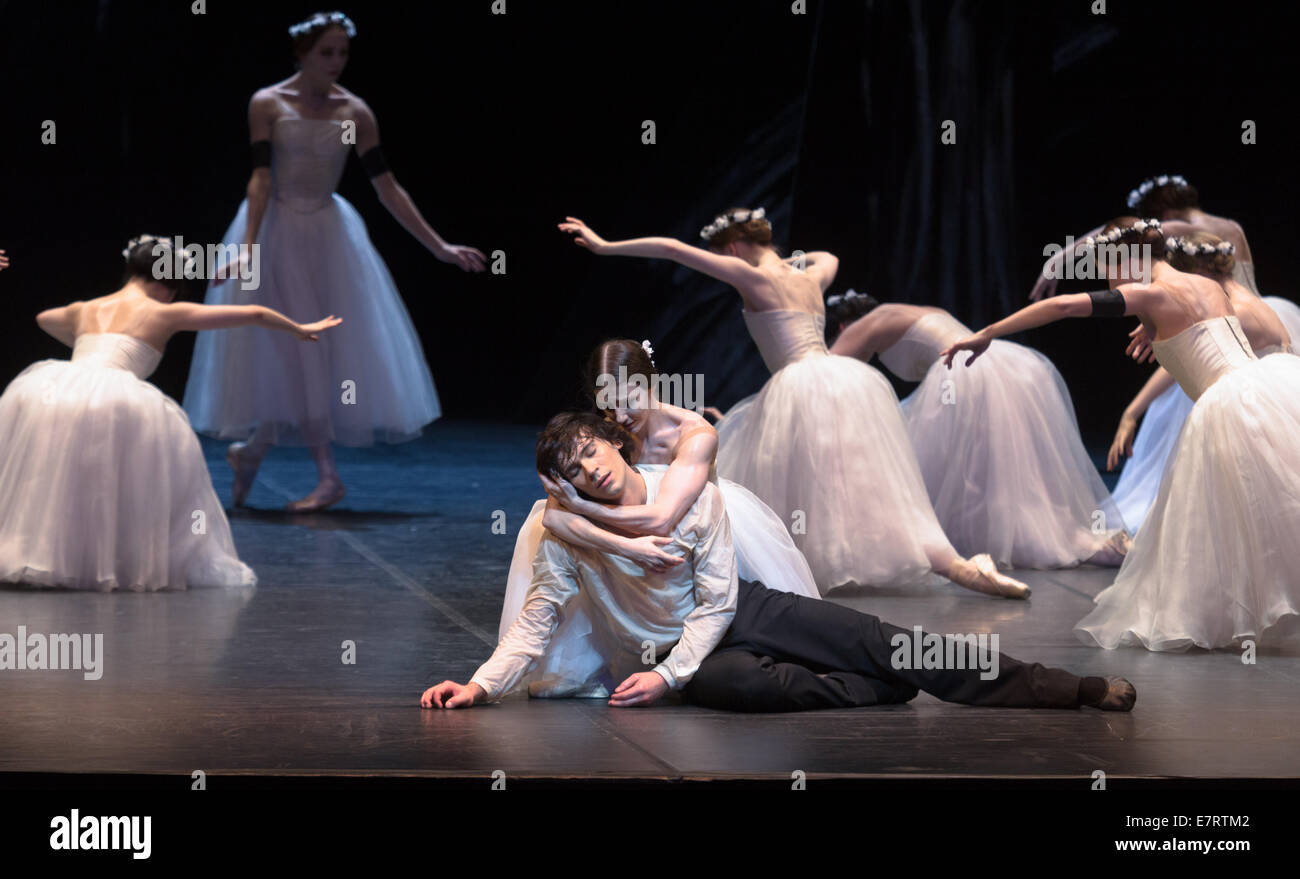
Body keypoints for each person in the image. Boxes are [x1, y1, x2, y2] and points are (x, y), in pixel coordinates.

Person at [419, 413, 1136, 712]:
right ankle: (878, 691)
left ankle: (1067, 688)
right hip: (683, 651)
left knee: (890, 640)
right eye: (572, 469)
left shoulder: (686, 493)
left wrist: (669, 676)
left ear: (616, 444)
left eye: (592, 452)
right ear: (564, 483)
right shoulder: (565, 532)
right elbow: (534, 624)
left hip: (741, 607)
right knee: (746, 687)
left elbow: (720, 601)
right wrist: (479, 686)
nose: (591, 470)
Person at [557, 211, 1029, 598]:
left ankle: (793, 575)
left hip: (799, 384)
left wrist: (604, 246)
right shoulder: (810, 276)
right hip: (846, 380)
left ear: (735, 249)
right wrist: (781, 256)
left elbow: (674, 250)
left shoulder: (750, 275)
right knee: (864, 479)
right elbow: (830, 256)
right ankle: (955, 565)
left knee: (798, 481)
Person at [942, 218, 1300, 651]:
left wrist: (988, 333)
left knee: (1244, 508)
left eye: (1110, 270)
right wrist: (1155, 327)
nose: (1111, 282)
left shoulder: (1149, 293)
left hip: (1225, 404)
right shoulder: (1207, 285)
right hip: (1268, 383)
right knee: (1275, 498)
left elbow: (1062, 307)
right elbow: (1202, 325)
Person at [183, 10, 486, 512]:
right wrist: (248, 247)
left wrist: (439, 246)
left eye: (343, 53)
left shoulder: (355, 113)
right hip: (275, 229)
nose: (337, 62)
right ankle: (301, 467)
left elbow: (386, 186)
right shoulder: (268, 103)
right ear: (302, 53)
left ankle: (268, 456)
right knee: (291, 349)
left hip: (328, 232)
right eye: (327, 52)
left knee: (313, 350)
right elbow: (260, 179)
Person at [0, 236, 340, 591]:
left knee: (55, 479)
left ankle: (39, 551)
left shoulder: (84, 308)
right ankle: (102, 558)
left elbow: (43, 318)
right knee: (118, 480)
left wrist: (90, 342)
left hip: (53, 391)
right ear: (166, 283)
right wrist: (299, 329)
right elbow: (254, 314)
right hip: (117, 398)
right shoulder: (165, 312)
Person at [498, 339, 820, 696]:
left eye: (628, 402)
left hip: (694, 531)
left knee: (738, 629)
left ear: (651, 385)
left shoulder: (693, 434)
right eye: (608, 407)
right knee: (558, 544)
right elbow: (554, 521)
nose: (619, 418)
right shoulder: (604, 437)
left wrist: (584, 507)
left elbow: (661, 519)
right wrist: (621, 545)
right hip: (631, 555)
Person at [826, 291, 1130, 569]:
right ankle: (1050, 535)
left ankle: (975, 537)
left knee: (930, 452)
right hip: (1003, 363)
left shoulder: (864, 326)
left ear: (842, 327)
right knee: (1000, 470)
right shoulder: (917, 308)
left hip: (966, 375)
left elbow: (826, 371)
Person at [1107, 230, 1295, 532]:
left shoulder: (1237, 311)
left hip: (1255, 414)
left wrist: (1132, 411)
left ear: (1196, 271)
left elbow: (1179, 361)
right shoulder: (1249, 303)